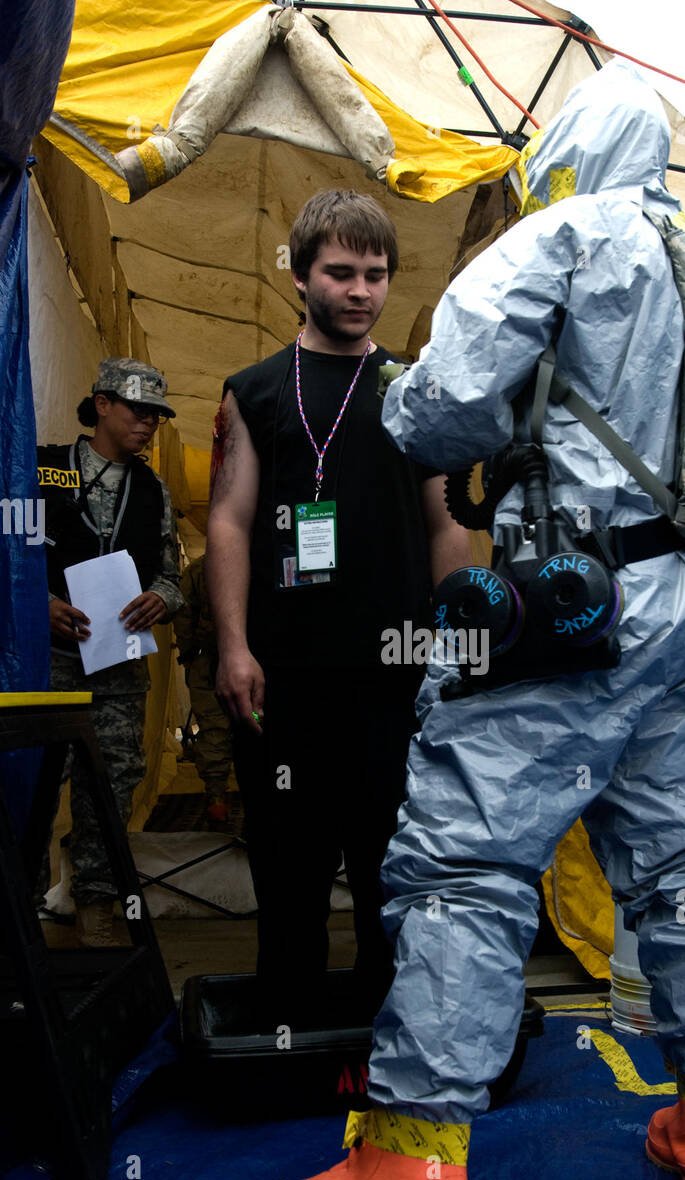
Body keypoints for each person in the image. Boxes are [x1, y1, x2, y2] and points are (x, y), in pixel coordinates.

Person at [247, 61, 685, 1180]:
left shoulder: (567, 237)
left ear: (564, 156)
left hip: (578, 606)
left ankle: (412, 1175)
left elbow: (432, 416)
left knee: (465, 857)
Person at [207, 189, 470, 1026]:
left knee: (394, 867)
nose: (362, 291)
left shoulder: (416, 390)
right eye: (342, 272)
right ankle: (287, 1042)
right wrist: (234, 647)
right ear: (299, 275)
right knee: (289, 871)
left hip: (395, 676)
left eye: (377, 275)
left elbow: (447, 524)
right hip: (284, 679)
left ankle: (389, 1041)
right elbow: (229, 520)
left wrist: (451, 643)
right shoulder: (252, 392)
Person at [39, 357, 183, 945]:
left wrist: (159, 599)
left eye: (156, 416)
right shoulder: (43, 470)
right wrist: (39, 603)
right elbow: (9, 559)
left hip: (119, 668)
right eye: (137, 410)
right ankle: (22, 903)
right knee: (36, 781)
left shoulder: (154, 492)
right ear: (101, 404)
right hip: (47, 661)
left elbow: (173, 576)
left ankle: (97, 907)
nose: (148, 424)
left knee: (111, 785)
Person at [174, 553, 233, 826]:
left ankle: (216, 799)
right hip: (253, 663)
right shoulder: (258, 556)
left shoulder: (199, 568)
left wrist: (188, 655)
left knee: (213, 729)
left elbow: (184, 615)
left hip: (208, 663)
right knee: (255, 722)